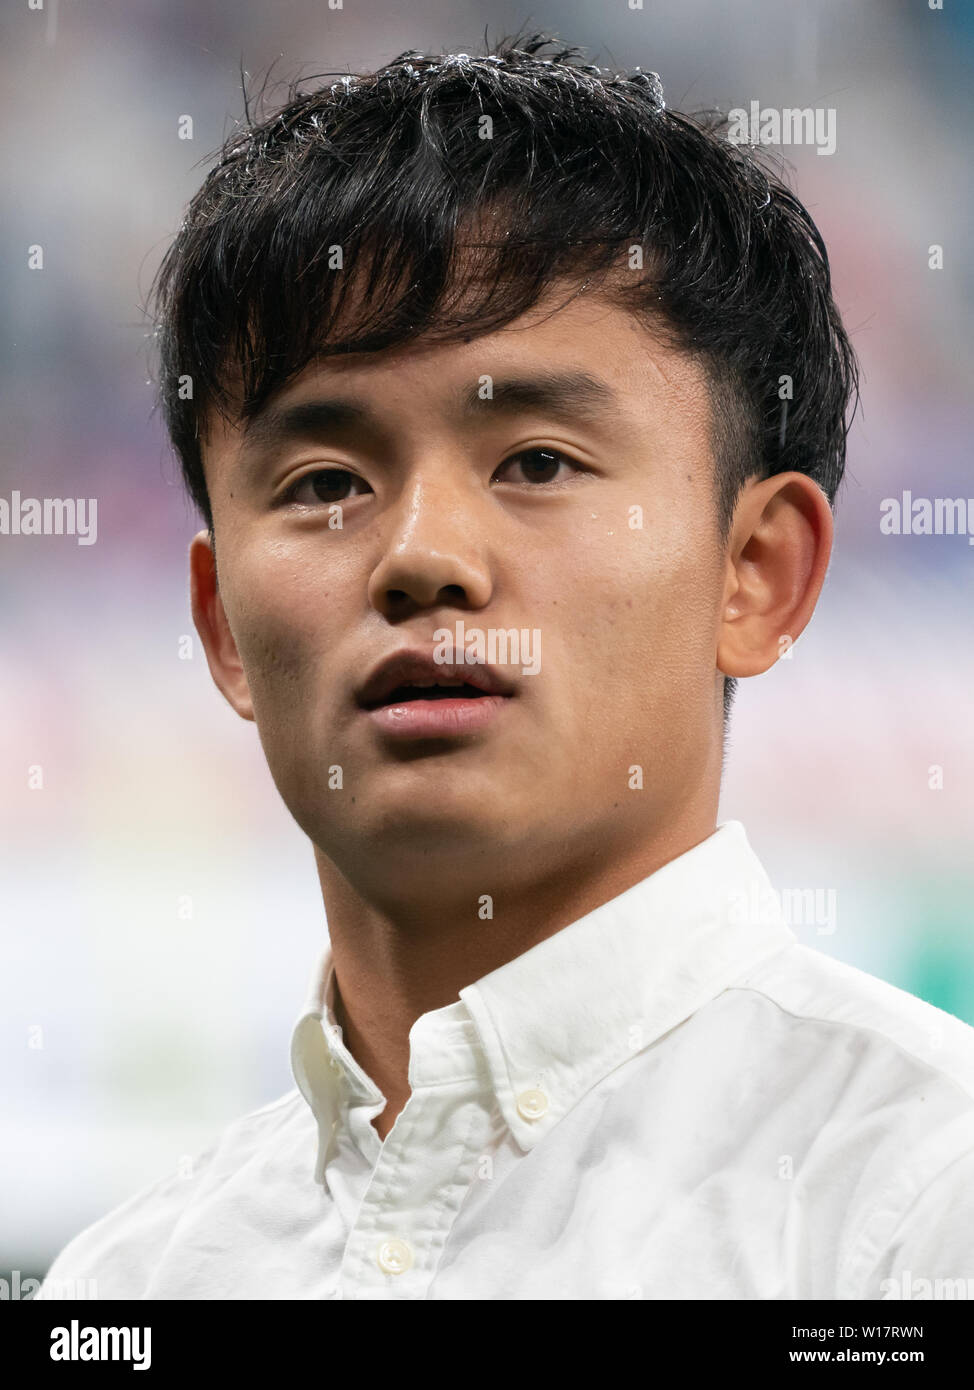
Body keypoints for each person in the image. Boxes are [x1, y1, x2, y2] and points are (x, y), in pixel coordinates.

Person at [37, 33, 974, 1300]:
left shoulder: (922, 1205)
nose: (422, 559)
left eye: (535, 461)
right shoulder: (129, 1288)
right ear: (221, 630)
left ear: (753, 573)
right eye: (325, 484)